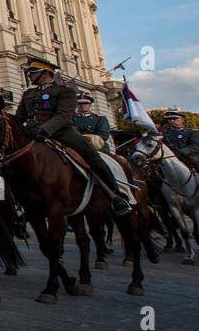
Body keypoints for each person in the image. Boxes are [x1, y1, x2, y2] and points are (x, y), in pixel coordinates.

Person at [15, 56, 130, 216]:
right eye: (29, 73)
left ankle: (115, 195)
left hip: (62, 131)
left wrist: (44, 129)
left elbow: (63, 116)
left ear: (46, 74)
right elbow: (20, 117)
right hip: (32, 131)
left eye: (33, 73)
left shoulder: (65, 92)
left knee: (91, 155)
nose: (30, 76)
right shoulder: (29, 94)